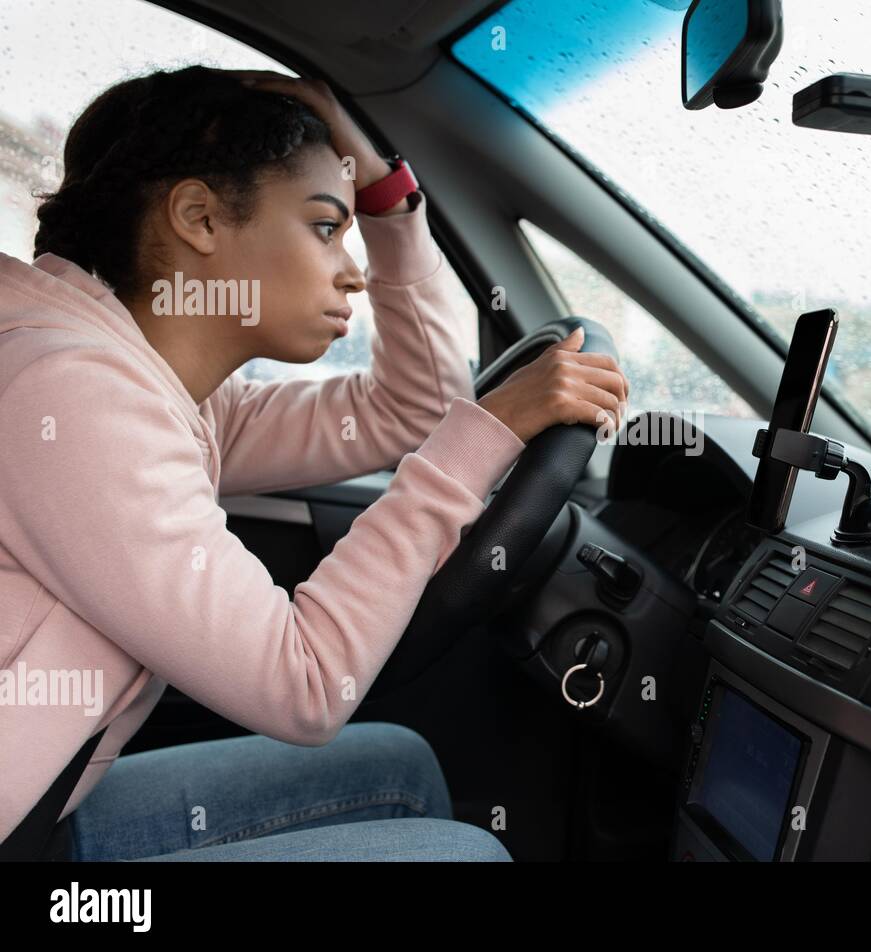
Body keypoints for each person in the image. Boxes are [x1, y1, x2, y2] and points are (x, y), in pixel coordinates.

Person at [0, 65, 630, 861]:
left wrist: (386, 200)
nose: (355, 270)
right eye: (326, 228)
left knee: (392, 765)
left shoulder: (165, 391)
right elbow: (304, 687)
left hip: (40, 809)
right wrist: (485, 435)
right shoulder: (71, 395)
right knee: (462, 858)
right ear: (198, 216)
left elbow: (409, 410)